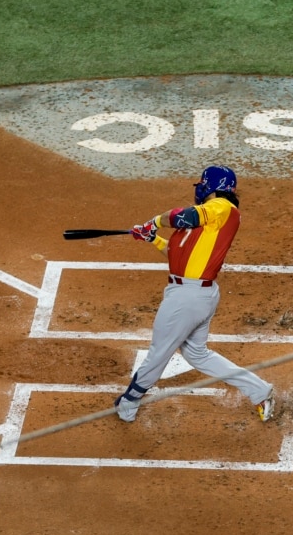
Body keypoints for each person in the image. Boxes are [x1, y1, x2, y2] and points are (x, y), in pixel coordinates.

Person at [113, 165, 276, 423]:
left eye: (202, 183)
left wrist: (153, 222)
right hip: (192, 293)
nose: (199, 188)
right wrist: (152, 238)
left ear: (212, 187)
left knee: (159, 352)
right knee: (196, 354)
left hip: (187, 298)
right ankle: (259, 390)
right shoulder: (205, 224)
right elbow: (177, 256)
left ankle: (129, 402)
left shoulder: (222, 208)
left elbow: (179, 217)